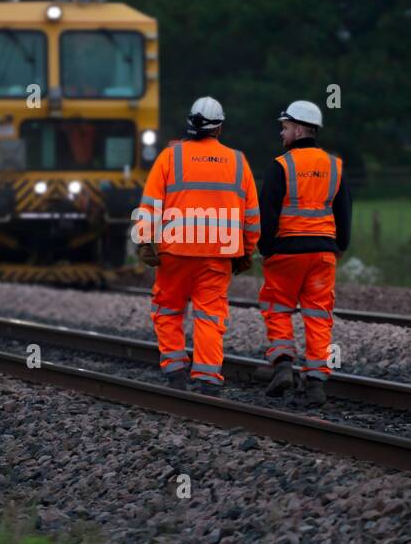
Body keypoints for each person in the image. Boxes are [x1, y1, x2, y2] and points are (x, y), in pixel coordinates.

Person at [135, 97, 260, 388]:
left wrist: (144, 241)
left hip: (175, 250)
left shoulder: (171, 157)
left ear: (190, 123)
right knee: (209, 314)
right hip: (219, 253)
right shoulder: (238, 161)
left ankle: (175, 369)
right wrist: (247, 250)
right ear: (220, 127)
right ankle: (206, 376)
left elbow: (151, 204)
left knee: (168, 308)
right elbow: (252, 214)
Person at [257, 100, 352, 406]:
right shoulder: (335, 166)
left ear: (298, 129)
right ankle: (315, 383)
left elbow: (267, 212)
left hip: (286, 252)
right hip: (323, 253)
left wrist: (266, 248)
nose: (281, 134)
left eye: (284, 128)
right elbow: (344, 211)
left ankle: (284, 365)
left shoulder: (281, 166)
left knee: (278, 308)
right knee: (318, 316)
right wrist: (340, 245)